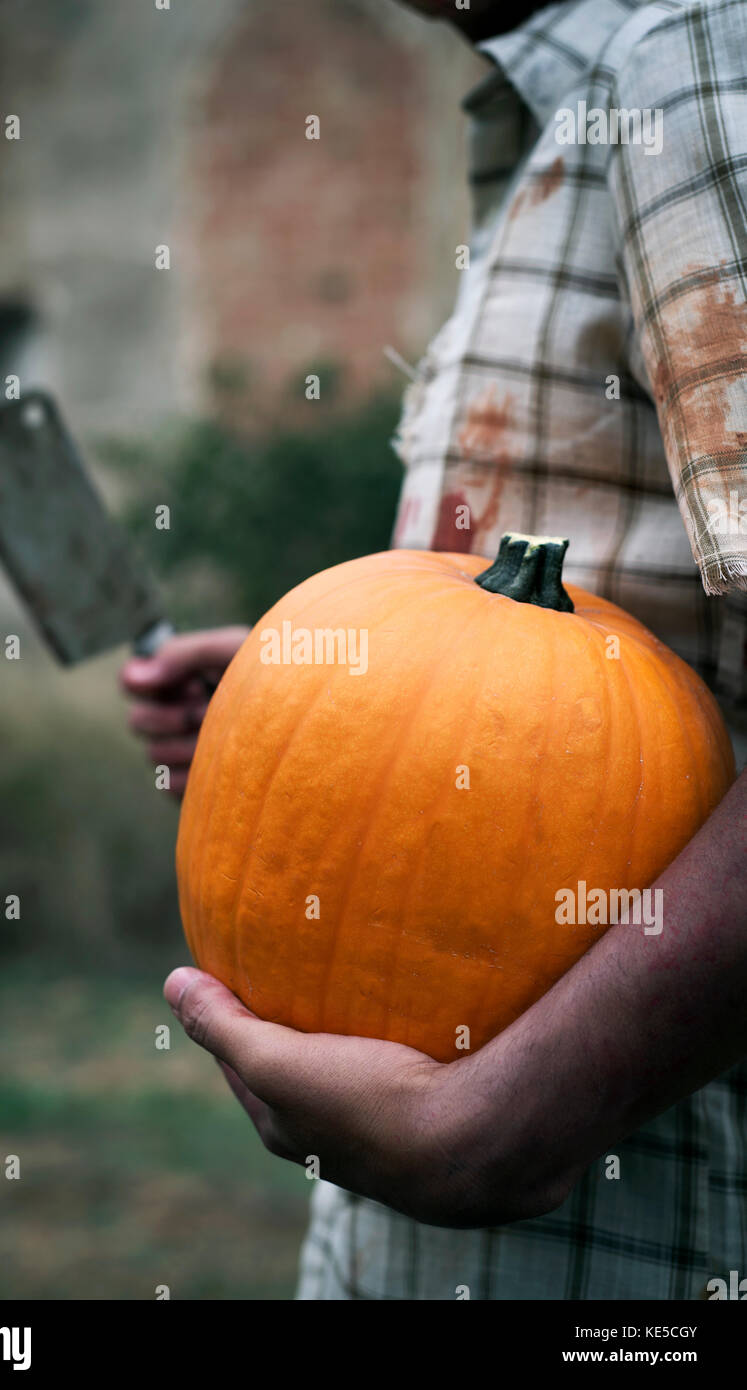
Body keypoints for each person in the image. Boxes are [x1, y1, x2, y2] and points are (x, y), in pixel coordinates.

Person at [121, 0, 747, 1300]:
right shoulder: (562, 100)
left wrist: (518, 1112)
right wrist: (328, 703)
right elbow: (575, 621)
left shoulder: (705, 53)